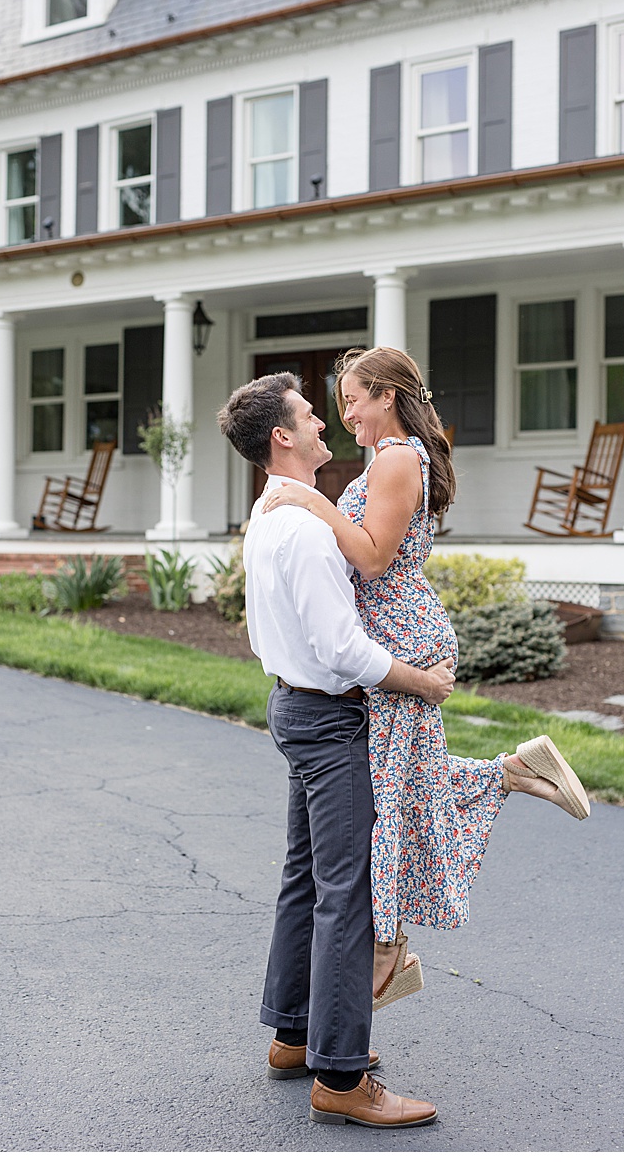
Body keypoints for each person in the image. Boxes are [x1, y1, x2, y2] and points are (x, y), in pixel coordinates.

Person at [260, 347, 589, 1007]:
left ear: (385, 394)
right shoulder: (398, 457)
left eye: (353, 398)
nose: (345, 412)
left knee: (394, 799)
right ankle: (512, 772)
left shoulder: (399, 458)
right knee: (403, 785)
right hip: (399, 628)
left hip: (403, 635)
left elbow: (375, 558)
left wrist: (310, 500)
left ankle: (388, 946)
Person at [217, 370, 450, 1128]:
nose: (327, 422)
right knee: (346, 896)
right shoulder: (309, 530)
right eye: (312, 415)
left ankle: (294, 1034)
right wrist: (419, 681)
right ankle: (342, 1079)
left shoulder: (268, 516)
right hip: (329, 717)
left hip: (292, 706)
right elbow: (344, 649)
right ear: (283, 436)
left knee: (305, 879)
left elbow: (264, 635)